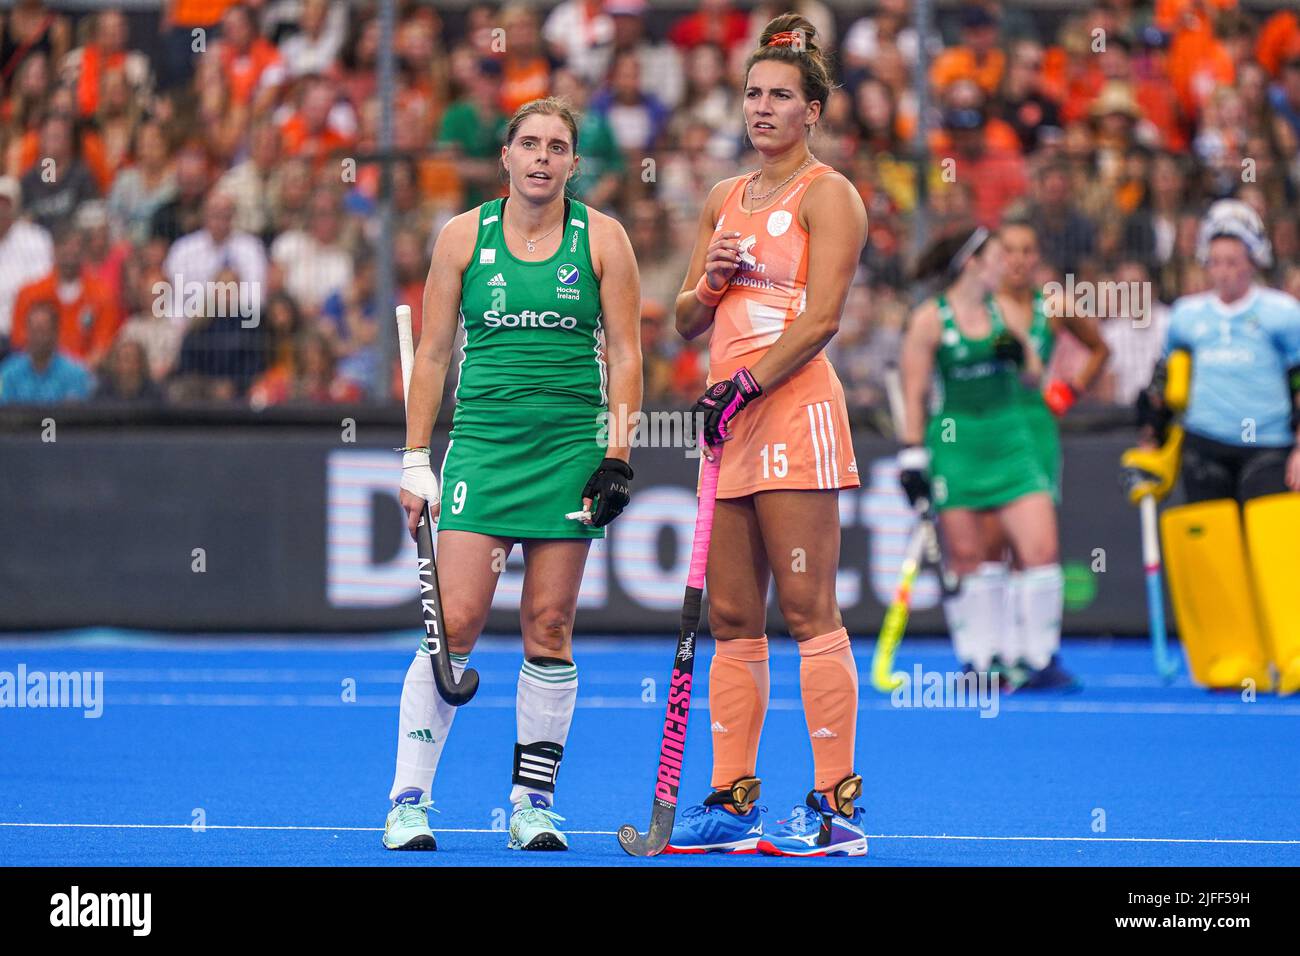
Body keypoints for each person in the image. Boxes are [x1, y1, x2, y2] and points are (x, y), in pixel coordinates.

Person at [386, 96, 642, 853]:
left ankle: (532, 802)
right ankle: (408, 799)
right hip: (484, 448)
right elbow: (433, 354)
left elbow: (627, 355)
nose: (541, 157)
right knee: (455, 623)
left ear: (572, 160)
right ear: (504, 156)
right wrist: (414, 460)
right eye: (528, 143)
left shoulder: (605, 239)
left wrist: (618, 456)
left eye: (556, 146)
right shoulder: (464, 236)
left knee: (550, 626)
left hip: (569, 450)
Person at [665, 14, 869, 857]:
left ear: (813, 110)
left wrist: (745, 382)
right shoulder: (723, 198)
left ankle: (836, 807)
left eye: (781, 95)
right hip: (730, 422)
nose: (762, 107)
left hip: (791, 410)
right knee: (733, 614)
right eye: (752, 93)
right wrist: (708, 288)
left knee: (807, 609)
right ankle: (732, 799)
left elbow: (821, 318)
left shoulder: (830, 194)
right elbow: (681, 320)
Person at [1127, 200, 1300, 692]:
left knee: (1279, 552)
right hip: (1205, 446)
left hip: (1268, 445)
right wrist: (1149, 446)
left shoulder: (1282, 314)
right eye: (1215, 261)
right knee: (1216, 558)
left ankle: (1290, 650)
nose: (1223, 271)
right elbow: (1165, 388)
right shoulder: (1186, 316)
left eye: (1233, 260)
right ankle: (1234, 655)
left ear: (1254, 260)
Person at [897, 226, 1064, 690]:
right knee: (968, 557)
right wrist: (912, 455)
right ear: (972, 264)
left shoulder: (1006, 312)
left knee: (1041, 550)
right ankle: (980, 661)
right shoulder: (930, 320)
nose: (1004, 265)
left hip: (1011, 440)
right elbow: (914, 394)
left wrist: (1020, 358)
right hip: (956, 443)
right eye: (995, 257)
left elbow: (1035, 377)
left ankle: (1038, 658)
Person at [977, 219, 1110, 689]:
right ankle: (997, 653)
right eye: (1009, 250)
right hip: (986, 428)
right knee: (992, 543)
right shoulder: (979, 304)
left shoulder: (1053, 305)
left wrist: (1066, 394)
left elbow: (1098, 349)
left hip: (1033, 427)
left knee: (1034, 546)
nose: (1018, 259)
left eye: (1027, 250)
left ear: (1037, 257)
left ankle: (1039, 655)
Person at [0, 300, 92, 404]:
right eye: (33, 330)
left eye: (43, 330)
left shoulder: (76, 373)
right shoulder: (7, 372)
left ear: (56, 333)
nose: (38, 337)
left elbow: (79, 416)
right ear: (26, 332)